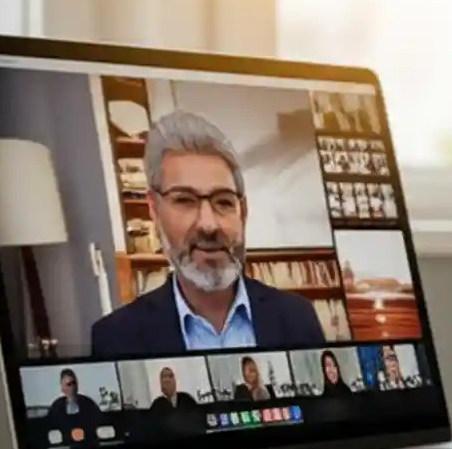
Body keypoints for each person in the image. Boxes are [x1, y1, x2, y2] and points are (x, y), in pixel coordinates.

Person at [91, 110, 326, 355]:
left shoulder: (299, 319)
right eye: (185, 200)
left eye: (223, 202)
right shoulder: (115, 339)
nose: (208, 224)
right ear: (155, 210)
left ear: (242, 211)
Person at [47, 368, 104, 436]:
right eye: (68, 384)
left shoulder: (88, 403)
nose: (72, 387)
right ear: (62, 387)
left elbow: (98, 422)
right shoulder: (56, 407)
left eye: (74, 383)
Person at [147, 366, 202, 436]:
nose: (167, 380)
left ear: (175, 381)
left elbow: (198, 422)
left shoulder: (187, 399)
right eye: (164, 377)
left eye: (170, 376)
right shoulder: (157, 405)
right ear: (161, 384)